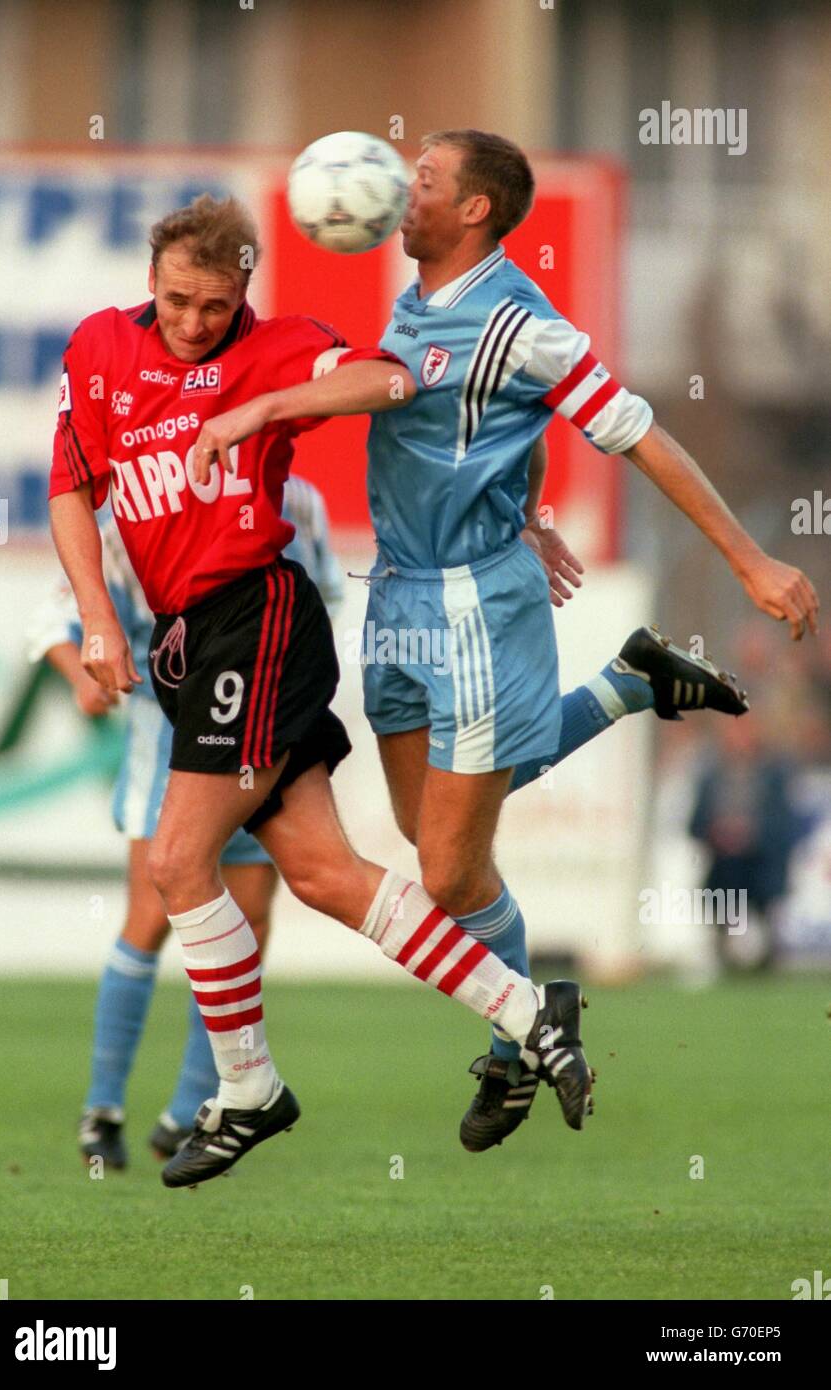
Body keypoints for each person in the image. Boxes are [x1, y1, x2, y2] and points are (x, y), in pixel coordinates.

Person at [199, 132, 818, 1156]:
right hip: (394, 591)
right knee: (435, 838)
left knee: (444, 876)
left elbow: (636, 432)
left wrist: (751, 562)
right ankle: (627, 684)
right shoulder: (417, 302)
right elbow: (473, 431)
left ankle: (513, 1036)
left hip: (472, 609)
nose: (405, 190)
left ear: (477, 210)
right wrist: (523, 507)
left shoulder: (522, 323)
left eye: (428, 180)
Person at [48, 193, 588, 1191]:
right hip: (186, 640)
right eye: (177, 300)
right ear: (150, 280)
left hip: (255, 620)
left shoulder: (281, 345)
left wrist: (259, 407)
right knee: (325, 873)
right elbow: (70, 486)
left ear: (244, 287)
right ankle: (525, 1009)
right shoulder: (97, 351)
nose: (195, 321)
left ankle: (246, 1085)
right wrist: (94, 616)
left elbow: (386, 380)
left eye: (215, 304)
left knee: (176, 860)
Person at [28, 478, 343, 1169]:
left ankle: (195, 1107)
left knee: (250, 917)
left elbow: (323, 602)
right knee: (152, 914)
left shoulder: (301, 504)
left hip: (260, 721)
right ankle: (102, 1110)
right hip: (164, 730)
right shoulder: (138, 506)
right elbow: (56, 618)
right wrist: (82, 676)